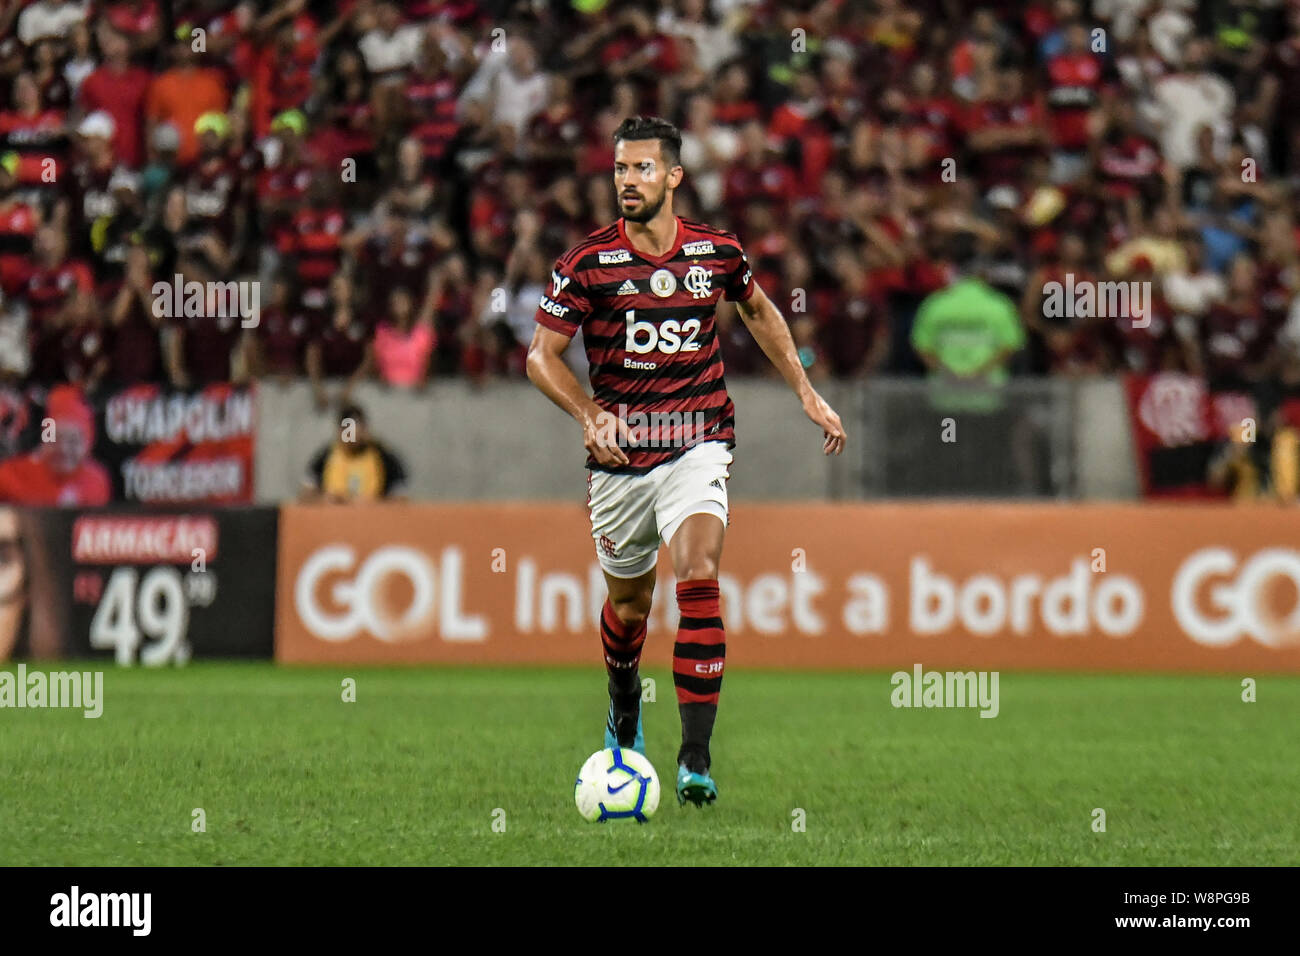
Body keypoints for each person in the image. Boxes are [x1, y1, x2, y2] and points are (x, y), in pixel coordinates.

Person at [525, 116, 846, 807]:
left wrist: (805, 390)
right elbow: (539, 357)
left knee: (698, 573)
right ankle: (624, 705)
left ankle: (695, 756)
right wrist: (590, 414)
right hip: (619, 462)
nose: (627, 181)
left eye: (641, 169)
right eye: (619, 170)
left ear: (673, 177)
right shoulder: (589, 262)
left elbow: (758, 311)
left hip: (698, 442)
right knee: (629, 606)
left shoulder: (717, 252)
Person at [0, 384, 111, 505]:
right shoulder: (11, 475)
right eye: (56, 439)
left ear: (87, 446)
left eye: (73, 442)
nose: (63, 449)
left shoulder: (96, 480)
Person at [301, 404, 408, 502]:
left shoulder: (384, 456)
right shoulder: (325, 456)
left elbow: (401, 498)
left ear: (365, 429)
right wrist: (326, 499)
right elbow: (306, 495)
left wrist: (374, 502)